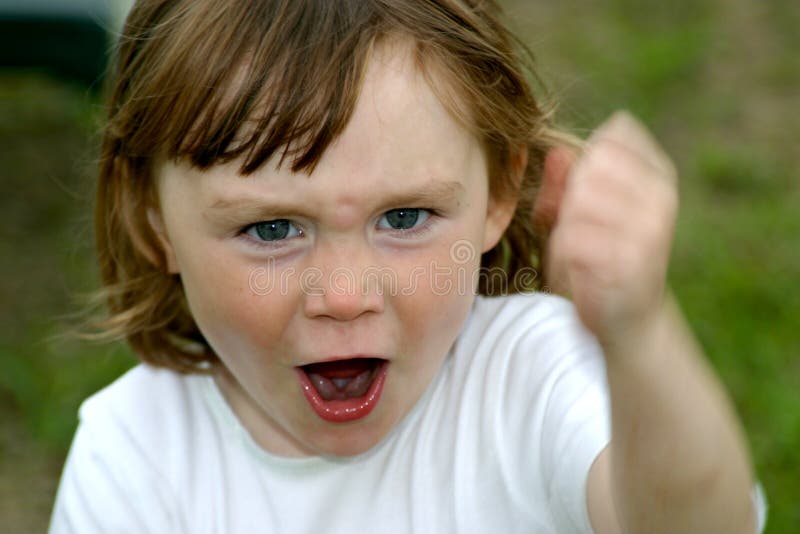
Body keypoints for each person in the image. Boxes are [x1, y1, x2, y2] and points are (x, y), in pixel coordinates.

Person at [49, 1, 766, 532]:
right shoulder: (136, 457)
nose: (345, 295)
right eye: (271, 228)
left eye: (404, 218)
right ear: (152, 221)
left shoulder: (528, 376)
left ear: (497, 191)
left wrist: (638, 335)